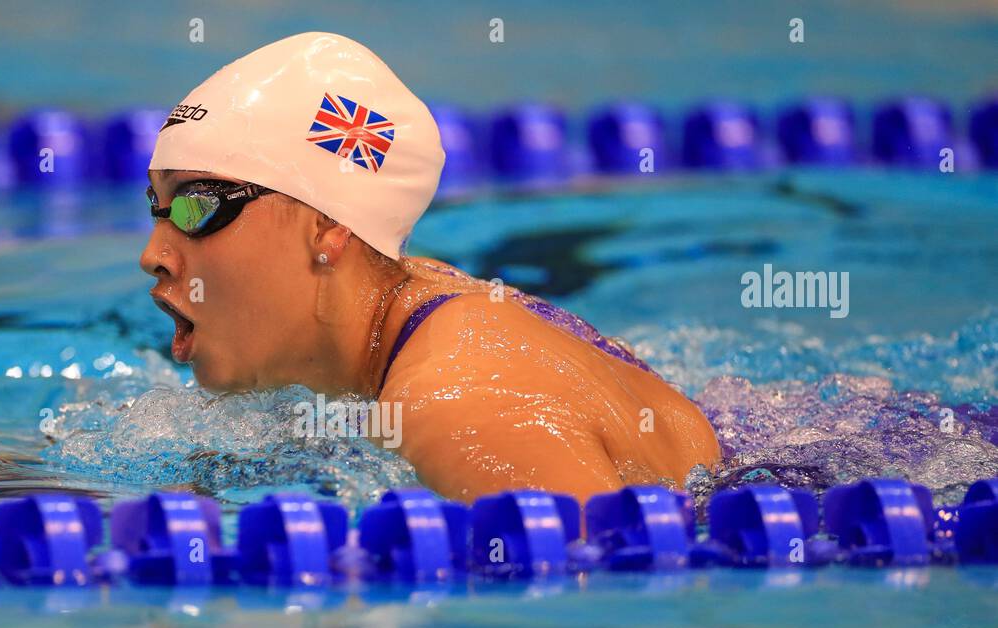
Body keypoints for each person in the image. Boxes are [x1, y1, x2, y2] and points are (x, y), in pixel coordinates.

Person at [140, 32, 721, 505]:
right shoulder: (405, 298)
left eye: (198, 206)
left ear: (329, 229)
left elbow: (593, 605)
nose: (153, 254)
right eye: (158, 207)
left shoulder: (458, 408)